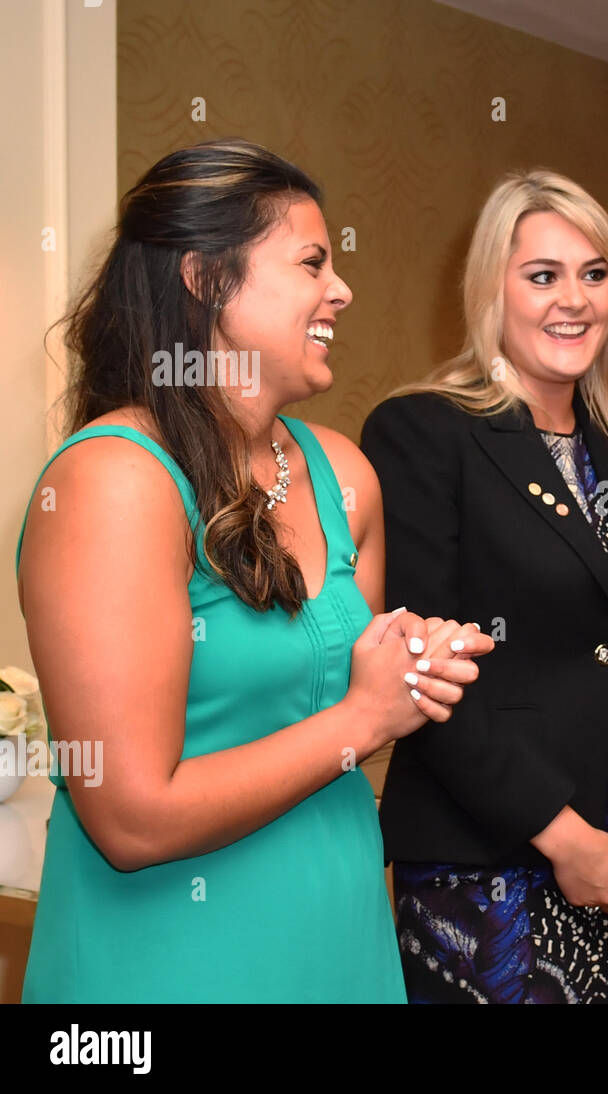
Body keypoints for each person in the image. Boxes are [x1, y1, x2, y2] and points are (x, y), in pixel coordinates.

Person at [15, 139, 492, 1003]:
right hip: (169, 963)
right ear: (204, 280)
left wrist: (410, 663)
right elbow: (129, 817)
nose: (341, 290)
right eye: (312, 262)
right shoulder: (115, 481)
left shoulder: (344, 473)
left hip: (338, 938)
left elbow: (325, 709)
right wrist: (363, 714)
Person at [360, 169, 608, 1004]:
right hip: (484, 868)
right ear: (493, 289)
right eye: (543, 275)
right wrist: (560, 834)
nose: (574, 300)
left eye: (595, 274)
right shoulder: (424, 432)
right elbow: (425, 673)